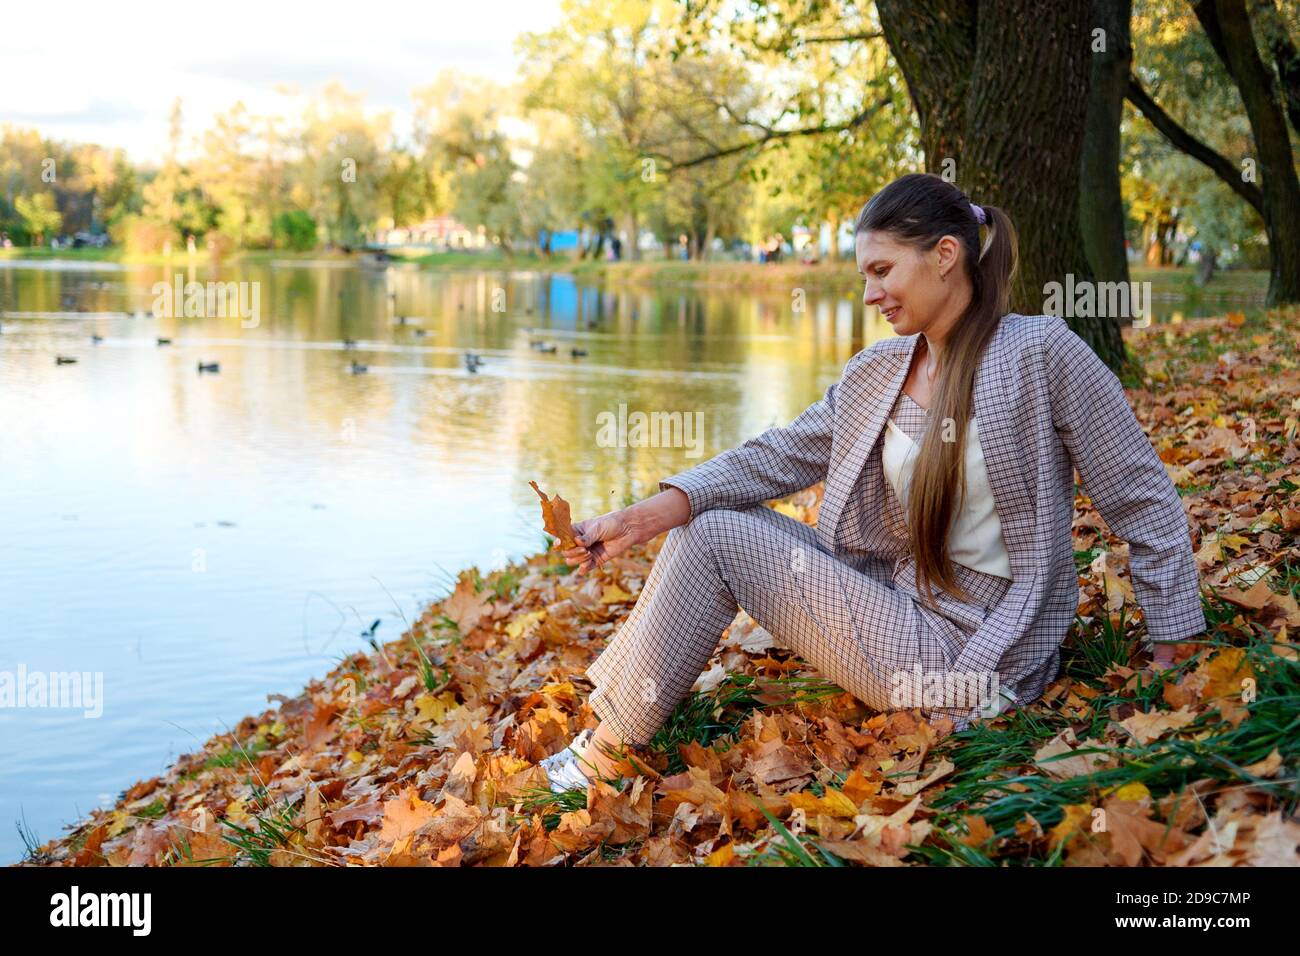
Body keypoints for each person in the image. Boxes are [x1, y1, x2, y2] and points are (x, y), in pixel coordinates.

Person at [541, 172, 1208, 791]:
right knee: (709, 523)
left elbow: (1140, 497)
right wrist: (641, 516)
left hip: (979, 647)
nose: (870, 294)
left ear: (946, 254)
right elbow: (775, 456)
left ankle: (605, 751)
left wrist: (1173, 645)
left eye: (882, 270)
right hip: (893, 609)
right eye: (865, 275)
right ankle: (611, 735)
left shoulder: (1040, 353)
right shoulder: (878, 371)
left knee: (714, 537)